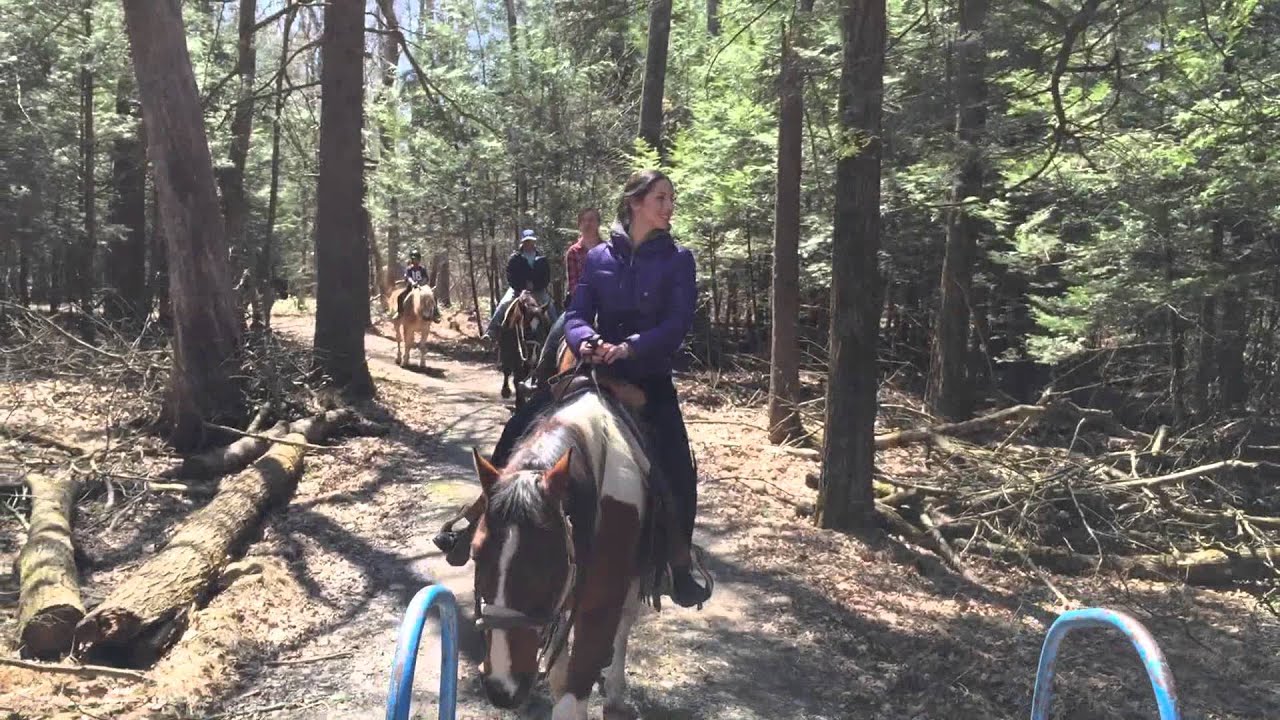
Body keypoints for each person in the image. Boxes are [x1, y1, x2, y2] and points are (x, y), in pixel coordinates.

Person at [440, 170, 711, 609]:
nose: (668, 206)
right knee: (518, 429)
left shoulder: (679, 259)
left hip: (648, 377)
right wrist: (587, 341)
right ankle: (484, 520)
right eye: (661, 197)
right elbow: (578, 311)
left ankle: (678, 562)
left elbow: (677, 323)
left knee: (676, 461)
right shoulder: (600, 257)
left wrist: (629, 348)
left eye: (670, 198)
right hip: (594, 369)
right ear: (635, 202)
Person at [530, 208, 602, 386]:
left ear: (598, 223)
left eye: (592, 220)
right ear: (579, 225)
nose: (588, 224)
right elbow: (574, 285)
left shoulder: (608, 250)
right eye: (584, 220)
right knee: (552, 340)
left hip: (606, 307)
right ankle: (539, 382)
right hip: (578, 308)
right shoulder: (574, 252)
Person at [482, 229, 555, 341]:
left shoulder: (542, 260)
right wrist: (521, 287)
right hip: (517, 290)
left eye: (531, 241)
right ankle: (491, 332)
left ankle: (557, 333)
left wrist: (535, 286)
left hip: (538, 291)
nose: (529, 244)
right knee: (504, 304)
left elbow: (546, 277)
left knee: (550, 307)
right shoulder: (515, 258)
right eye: (526, 241)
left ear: (534, 242)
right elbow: (510, 276)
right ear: (522, 242)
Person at [392, 249, 431, 321]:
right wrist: (413, 282)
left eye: (416, 259)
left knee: (433, 297)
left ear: (419, 259)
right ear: (412, 260)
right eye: (414, 259)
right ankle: (399, 312)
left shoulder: (422, 269)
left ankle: (435, 313)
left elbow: (426, 278)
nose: (415, 261)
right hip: (411, 287)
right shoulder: (409, 269)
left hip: (422, 287)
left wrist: (421, 283)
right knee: (400, 297)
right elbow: (408, 277)